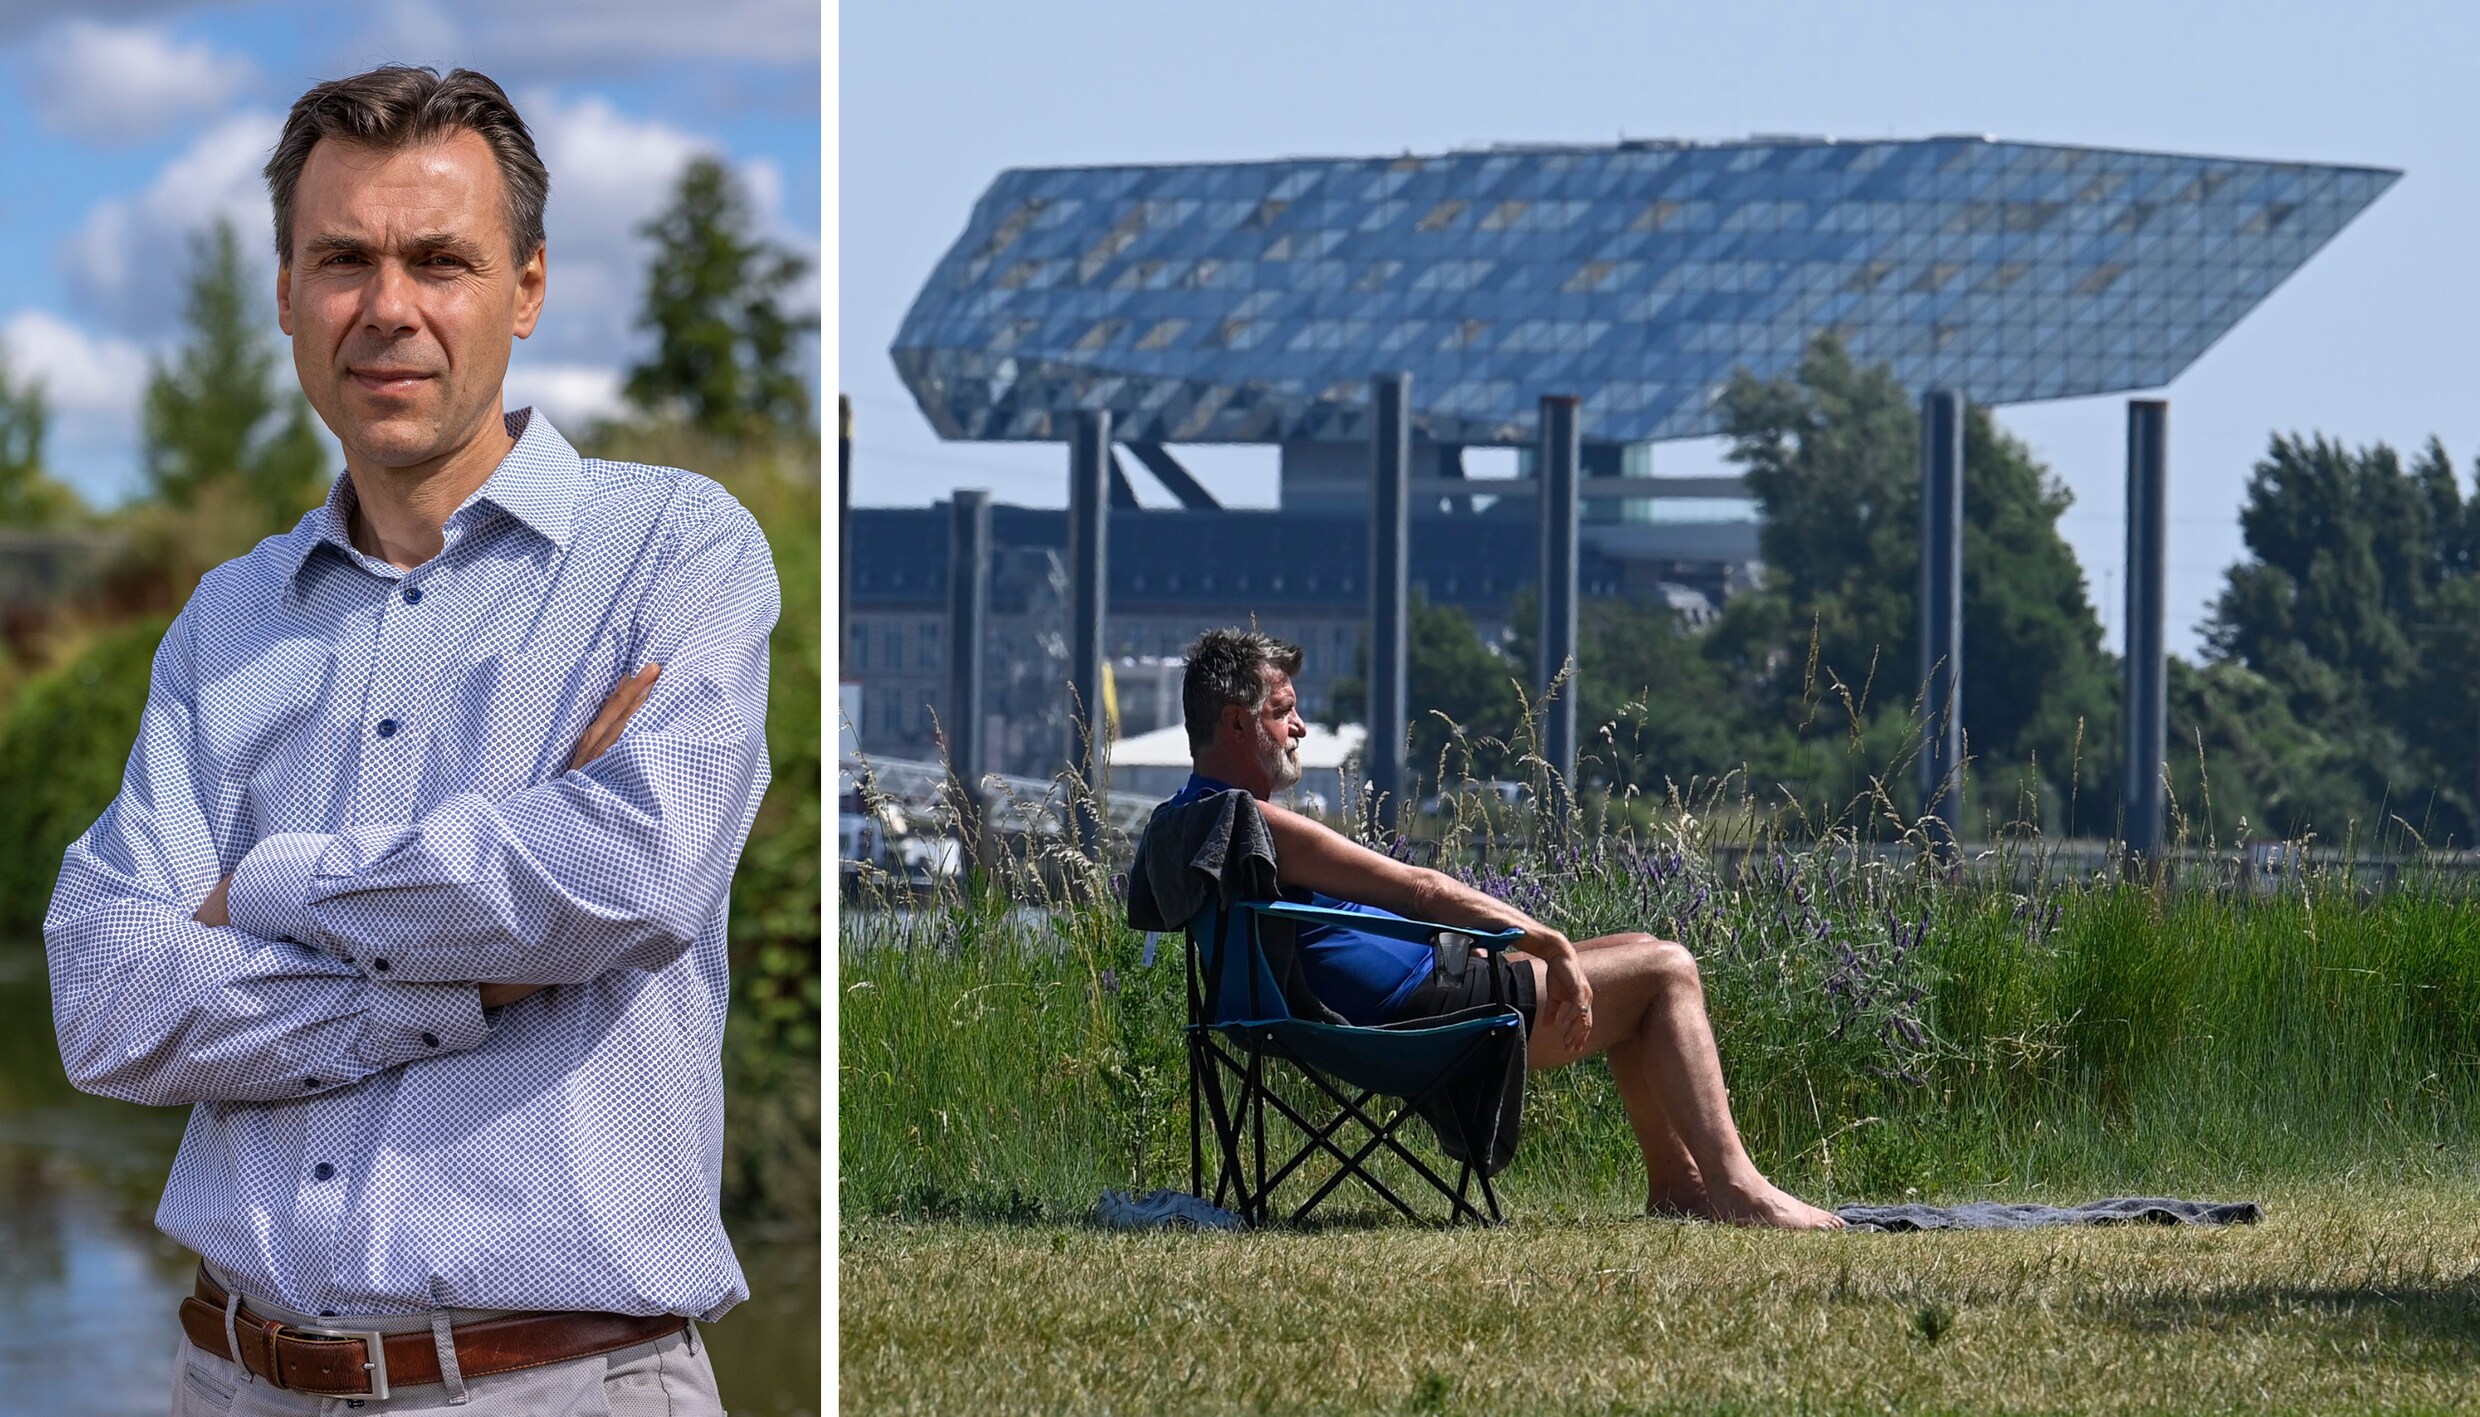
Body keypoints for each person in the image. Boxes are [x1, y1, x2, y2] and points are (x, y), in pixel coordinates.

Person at [43, 66, 776, 1413]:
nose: (389, 308)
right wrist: (449, 982)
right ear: (283, 295)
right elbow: (105, 1000)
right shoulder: (228, 620)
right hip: (232, 1377)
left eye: (441, 260)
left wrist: (267, 888)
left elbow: (629, 872)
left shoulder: (673, 551)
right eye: (343, 261)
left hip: (552, 1384)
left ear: (529, 286)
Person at [1173, 628, 1841, 1229]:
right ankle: (1737, 1187)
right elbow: (1422, 888)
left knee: (1638, 951)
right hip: (1418, 1014)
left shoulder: (1189, 817)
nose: (1300, 728)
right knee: (1665, 969)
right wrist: (1548, 942)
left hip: (1378, 1002)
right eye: (1283, 710)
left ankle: (1681, 1184)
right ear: (1237, 723)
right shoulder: (1256, 820)